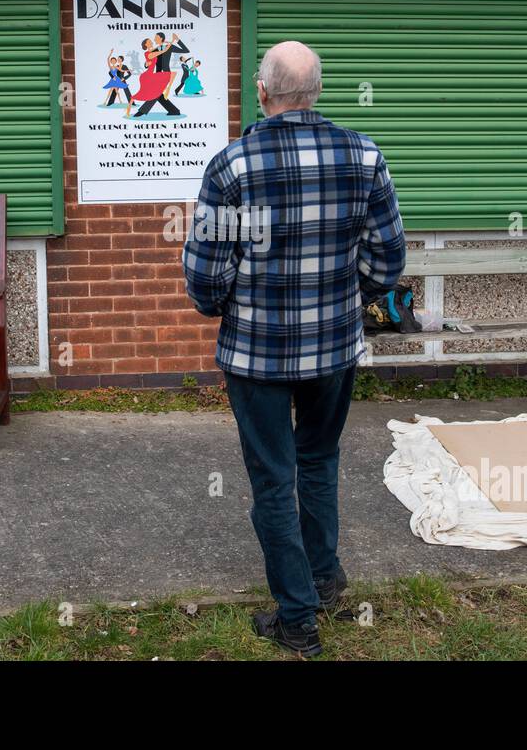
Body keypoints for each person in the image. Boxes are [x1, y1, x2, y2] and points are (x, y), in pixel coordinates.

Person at [182, 40, 406, 657]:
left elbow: (205, 275)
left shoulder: (234, 167)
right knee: (319, 462)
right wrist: (342, 294)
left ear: (263, 92)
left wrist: (229, 303)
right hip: (334, 347)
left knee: (274, 479)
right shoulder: (364, 157)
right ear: (317, 92)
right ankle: (326, 580)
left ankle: (297, 619)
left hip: (255, 353)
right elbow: (388, 261)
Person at [131, 36, 182, 117]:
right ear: (146, 44)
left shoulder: (159, 49)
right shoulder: (152, 51)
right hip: (153, 75)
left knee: (155, 93)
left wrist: (172, 41)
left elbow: (163, 48)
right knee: (157, 94)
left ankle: (142, 111)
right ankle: (174, 110)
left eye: (152, 40)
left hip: (163, 74)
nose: (152, 41)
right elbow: (151, 57)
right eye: (149, 41)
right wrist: (146, 64)